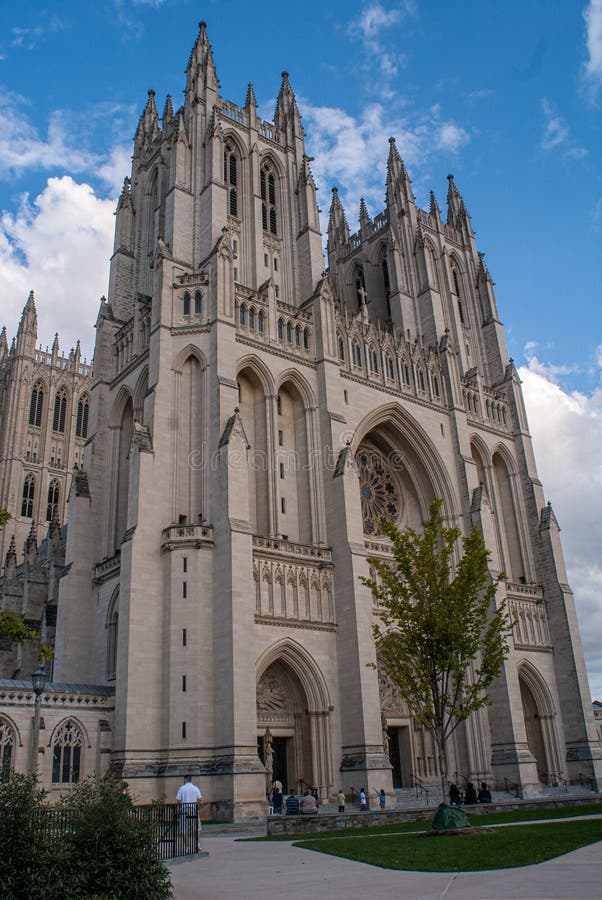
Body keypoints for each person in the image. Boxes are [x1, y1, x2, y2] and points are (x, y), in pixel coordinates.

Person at [176, 775, 202, 852]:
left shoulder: (182, 788)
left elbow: (178, 800)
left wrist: (179, 808)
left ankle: (187, 847)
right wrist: (196, 805)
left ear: (185, 779)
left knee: (184, 829)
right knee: (197, 827)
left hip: (184, 809)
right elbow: (199, 798)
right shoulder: (195, 788)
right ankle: (197, 844)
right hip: (193, 808)